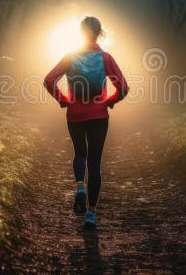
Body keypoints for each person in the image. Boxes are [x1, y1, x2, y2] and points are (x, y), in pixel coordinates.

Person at [44, 16, 129, 228]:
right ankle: (91, 213)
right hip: (98, 115)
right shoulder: (105, 58)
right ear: (99, 33)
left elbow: (48, 80)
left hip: (75, 115)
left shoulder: (70, 57)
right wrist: (109, 101)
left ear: (80, 33)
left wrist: (63, 100)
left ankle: (80, 188)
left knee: (79, 153)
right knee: (95, 162)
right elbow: (124, 88)